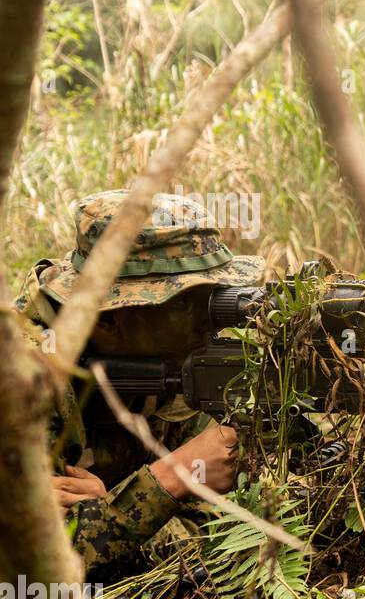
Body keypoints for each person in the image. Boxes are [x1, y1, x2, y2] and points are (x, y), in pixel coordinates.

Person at [14, 190, 264, 576]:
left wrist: (111, 509)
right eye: (184, 302)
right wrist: (171, 478)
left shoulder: (179, 359)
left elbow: (212, 534)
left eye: (214, 296)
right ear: (108, 317)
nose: (210, 319)